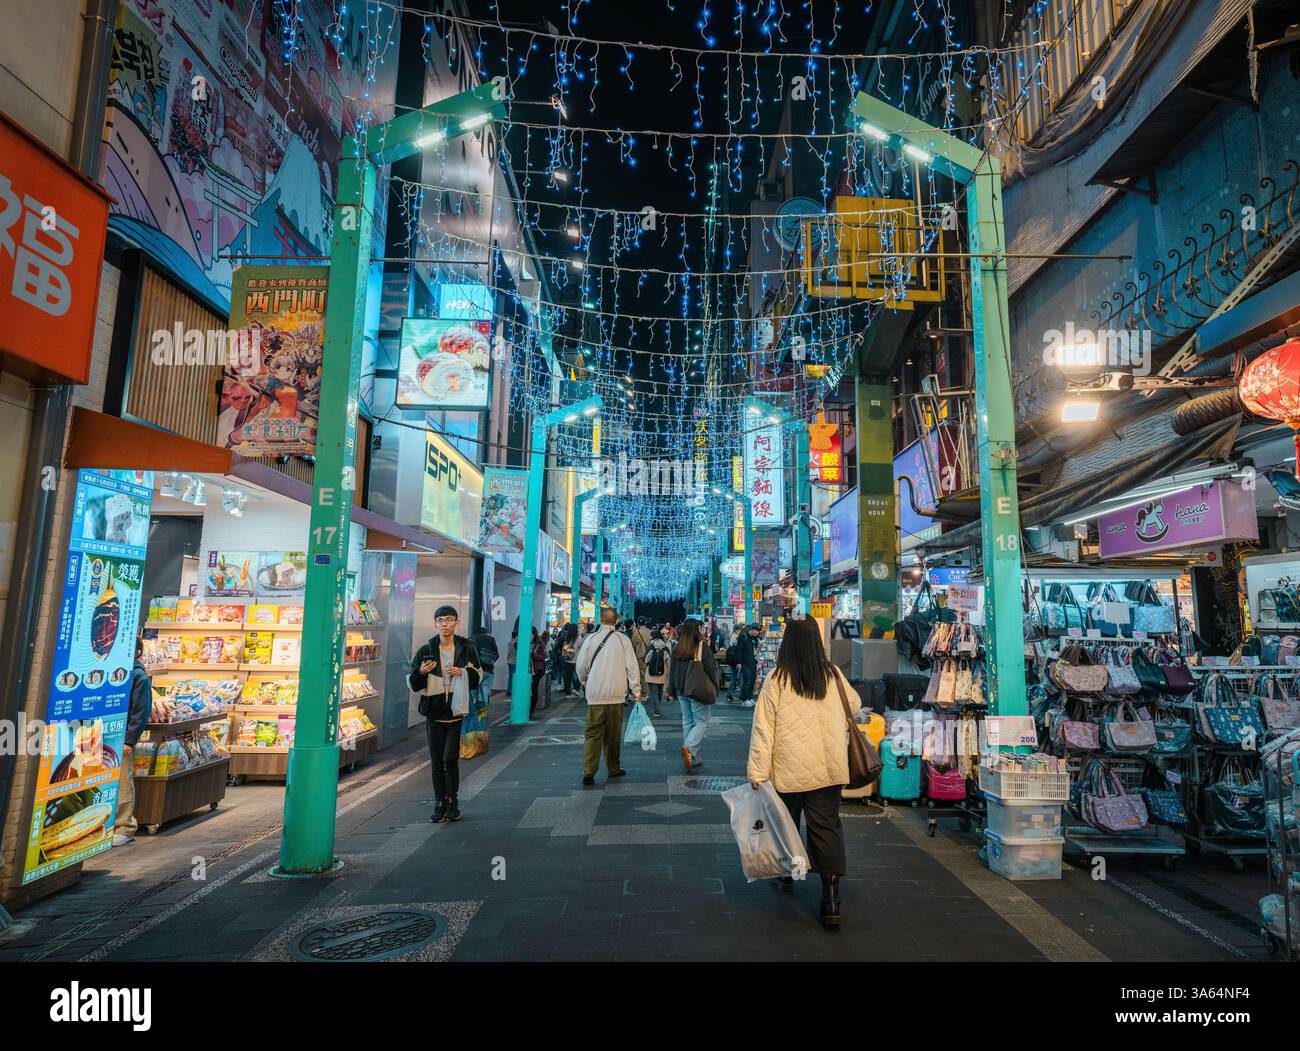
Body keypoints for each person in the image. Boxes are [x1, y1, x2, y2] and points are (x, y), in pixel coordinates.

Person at [746, 618, 859, 930]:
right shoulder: (833, 674)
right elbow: (856, 704)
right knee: (826, 829)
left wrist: (757, 771)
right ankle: (831, 898)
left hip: (788, 768)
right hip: (828, 768)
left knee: (787, 823)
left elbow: (763, 728)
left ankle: (787, 873)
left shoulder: (777, 678)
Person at [409, 606, 482, 822]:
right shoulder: (426, 649)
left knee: (450, 758)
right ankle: (439, 802)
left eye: (449, 619)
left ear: (456, 622)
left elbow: (479, 674)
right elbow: (413, 683)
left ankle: (453, 801)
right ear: (435, 624)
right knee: (436, 761)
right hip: (434, 712)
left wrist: (464, 672)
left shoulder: (466, 646)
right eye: (440, 620)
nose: (444, 624)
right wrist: (421, 672)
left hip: (457, 711)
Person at [575, 607, 641, 785]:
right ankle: (613, 768)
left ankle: (589, 771)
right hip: (617, 695)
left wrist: (585, 682)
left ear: (600, 619)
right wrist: (636, 690)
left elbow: (580, 666)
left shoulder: (591, 639)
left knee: (592, 733)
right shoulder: (623, 640)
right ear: (617, 621)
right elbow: (632, 666)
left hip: (595, 695)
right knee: (613, 734)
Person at [114, 639, 155, 846]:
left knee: (122, 781)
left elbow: (141, 711)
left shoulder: (138, 674)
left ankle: (125, 826)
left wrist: (129, 739)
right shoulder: (112, 670)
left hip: (122, 738)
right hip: (102, 734)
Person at [667, 618, 719, 772]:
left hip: (681, 691)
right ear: (696, 630)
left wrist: (671, 691)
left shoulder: (678, 647)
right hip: (697, 690)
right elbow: (711, 669)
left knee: (688, 722)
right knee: (703, 721)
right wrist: (715, 687)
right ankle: (689, 748)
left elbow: (672, 672)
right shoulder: (702, 647)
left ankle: (694, 757)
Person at [644, 624, 671, 719]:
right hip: (662, 674)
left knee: (653, 693)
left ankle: (657, 711)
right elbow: (668, 662)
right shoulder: (665, 648)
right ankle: (657, 710)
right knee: (659, 693)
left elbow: (646, 660)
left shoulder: (650, 647)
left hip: (651, 674)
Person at [472, 622, 500, 696]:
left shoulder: (472, 639)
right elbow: (497, 655)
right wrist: (490, 662)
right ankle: (483, 705)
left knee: (473, 689)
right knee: (485, 688)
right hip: (488, 669)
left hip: (475, 669)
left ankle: (473, 705)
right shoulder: (491, 639)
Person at [530, 627, 550, 717]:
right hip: (530, 669)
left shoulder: (540, 644)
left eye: (531, 634)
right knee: (531, 690)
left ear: (534, 634)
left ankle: (532, 709)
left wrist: (534, 655)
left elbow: (543, 657)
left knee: (534, 690)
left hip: (537, 670)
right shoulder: (530, 643)